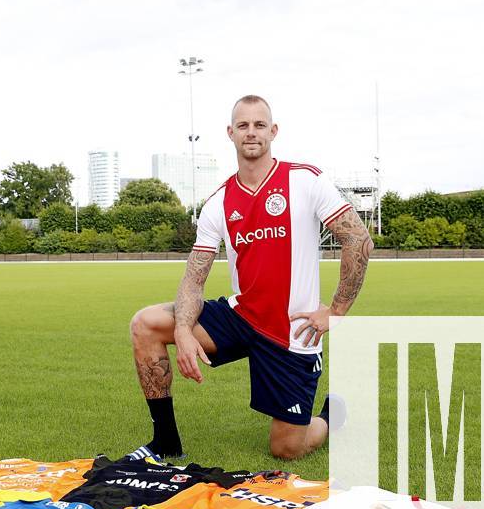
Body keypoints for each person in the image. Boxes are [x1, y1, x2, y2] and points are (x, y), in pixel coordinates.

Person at [128, 95, 372, 460]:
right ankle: (165, 441)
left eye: (260, 125)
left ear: (273, 131)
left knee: (287, 449)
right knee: (146, 324)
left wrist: (335, 310)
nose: (251, 132)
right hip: (240, 318)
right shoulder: (219, 202)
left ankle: (327, 417)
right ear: (231, 133)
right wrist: (181, 330)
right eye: (243, 125)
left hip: (291, 331)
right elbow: (195, 277)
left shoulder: (304, 181)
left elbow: (358, 239)